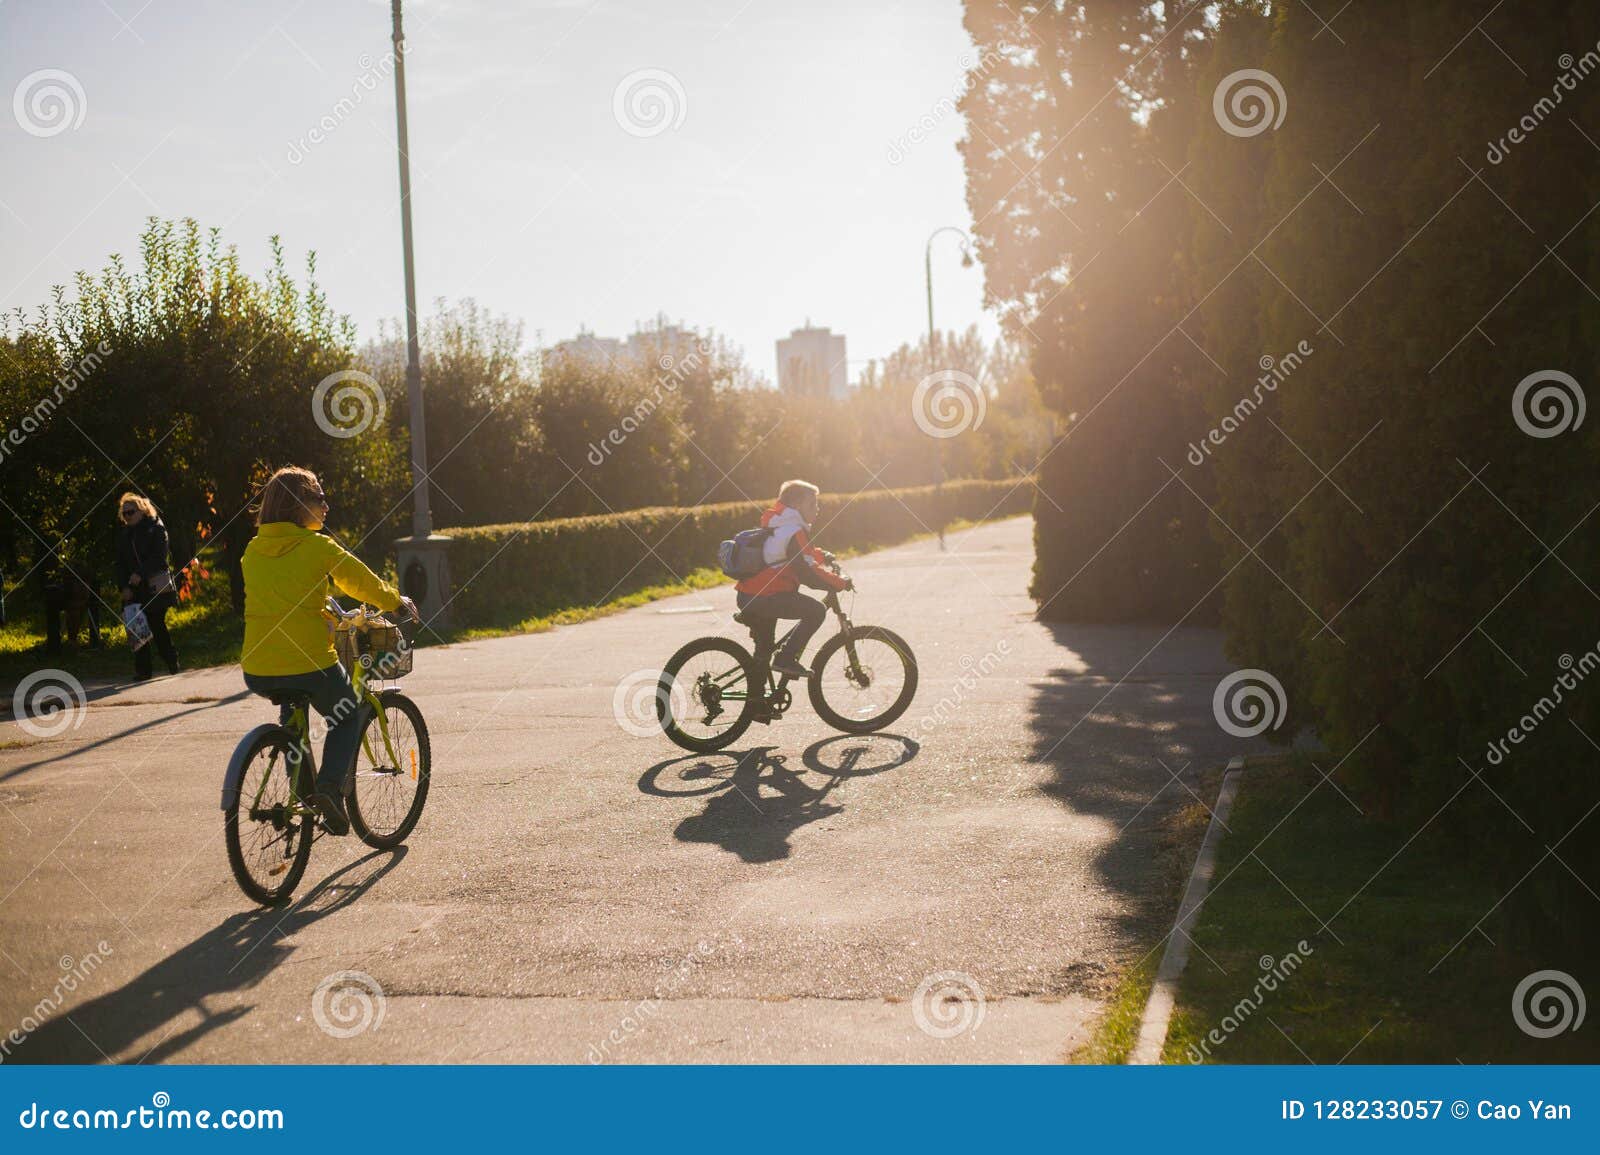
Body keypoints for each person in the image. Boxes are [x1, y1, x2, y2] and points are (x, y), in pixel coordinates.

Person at [240, 466, 417, 835]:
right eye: (318, 498)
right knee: (347, 714)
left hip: (257, 666)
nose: (326, 506)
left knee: (293, 718)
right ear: (297, 506)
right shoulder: (317, 547)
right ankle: (329, 792)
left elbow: (279, 597)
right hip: (309, 662)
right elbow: (359, 580)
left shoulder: (253, 550)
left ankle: (302, 797)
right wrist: (395, 603)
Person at [734, 479, 851, 679]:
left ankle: (756, 704)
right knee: (816, 611)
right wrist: (839, 583)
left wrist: (821, 556)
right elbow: (807, 572)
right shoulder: (793, 530)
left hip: (750, 595)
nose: (817, 509)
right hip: (767, 597)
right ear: (797, 505)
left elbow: (792, 554)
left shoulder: (779, 525)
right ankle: (786, 658)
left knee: (763, 653)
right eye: (812, 504)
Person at [115, 493, 178, 679]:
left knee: (157, 625)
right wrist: (123, 587)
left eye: (131, 512)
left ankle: (171, 660)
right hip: (133, 589)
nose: (127, 516)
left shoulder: (156, 528)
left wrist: (140, 574)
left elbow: (159, 557)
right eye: (124, 513)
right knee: (136, 628)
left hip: (154, 586)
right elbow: (120, 563)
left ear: (142, 510)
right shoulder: (124, 535)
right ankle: (143, 670)